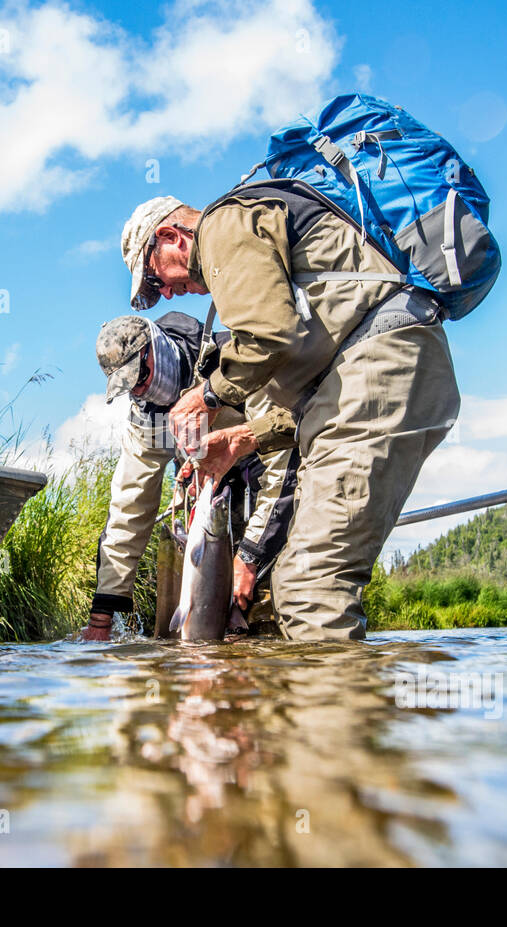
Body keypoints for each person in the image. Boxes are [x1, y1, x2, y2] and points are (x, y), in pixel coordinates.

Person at [120, 191, 461, 642]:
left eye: (153, 277)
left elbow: (270, 335)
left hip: (377, 365)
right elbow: (301, 373)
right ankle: (323, 703)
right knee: (297, 584)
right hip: (365, 378)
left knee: (310, 586)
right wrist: (247, 438)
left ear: (170, 236)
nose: (163, 293)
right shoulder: (241, 261)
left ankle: (326, 709)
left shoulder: (220, 227)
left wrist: (207, 395)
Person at [80, 310, 298, 642]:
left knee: (269, 620)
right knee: (202, 636)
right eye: (129, 388)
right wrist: (101, 618)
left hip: (277, 496)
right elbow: (130, 510)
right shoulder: (148, 418)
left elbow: (284, 464)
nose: (138, 392)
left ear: (153, 349)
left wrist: (252, 555)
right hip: (211, 514)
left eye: (140, 377)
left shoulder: (235, 363)